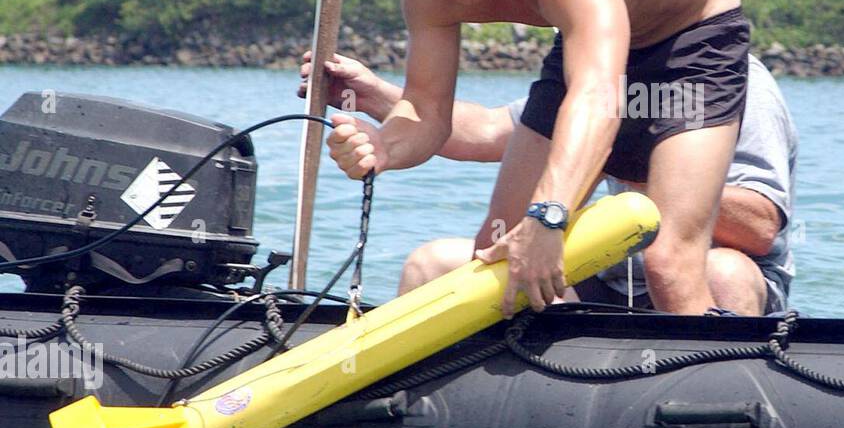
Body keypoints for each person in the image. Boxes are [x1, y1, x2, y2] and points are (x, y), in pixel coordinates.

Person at [324, 0, 751, 316]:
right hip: (590, 40)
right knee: (498, 250)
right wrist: (386, 145)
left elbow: (597, 97)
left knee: (667, 262)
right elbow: (426, 110)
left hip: (688, 43)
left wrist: (549, 213)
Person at [301, 51, 797, 315]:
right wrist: (376, 97)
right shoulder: (601, 74)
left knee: (723, 271)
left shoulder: (743, 88)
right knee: (432, 264)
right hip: (606, 274)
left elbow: (759, 228)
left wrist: (626, 165)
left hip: (717, 272)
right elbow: (490, 129)